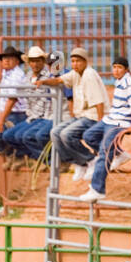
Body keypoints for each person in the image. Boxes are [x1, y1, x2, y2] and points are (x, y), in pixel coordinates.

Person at [79, 56, 131, 203]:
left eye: (119, 67)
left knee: (104, 152)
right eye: (114, 67)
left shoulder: (128, 83)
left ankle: (97, 189)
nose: (116, 70)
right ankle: (119, 154)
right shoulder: (119, 82)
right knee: (89, 135)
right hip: (111, 118)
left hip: (119, 122)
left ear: (126, 70)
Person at [39, 46, 109, 182]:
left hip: (92, 116)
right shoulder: (74, 73)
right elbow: (59, 80)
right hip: (81, 115)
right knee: (55, 132)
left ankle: (90, 160)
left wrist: (100, 123)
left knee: (66, 134)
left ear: (85, 61)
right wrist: (43, 81)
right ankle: (79, 162)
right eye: (73, 61)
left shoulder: (89, 75)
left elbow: (98, 101)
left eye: (78, 61)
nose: (75, 64)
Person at [1, 46, 55, 165]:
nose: (34, 64)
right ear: (29, 62)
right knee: (8, 136)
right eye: (32, 61)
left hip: (45, 117)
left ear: (43, 61)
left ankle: (49, 161)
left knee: (26, 136)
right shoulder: (28, 76)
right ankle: (33, 158)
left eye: (37, 61)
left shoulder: (49, 77)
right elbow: (16, 94)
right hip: (31, 116)